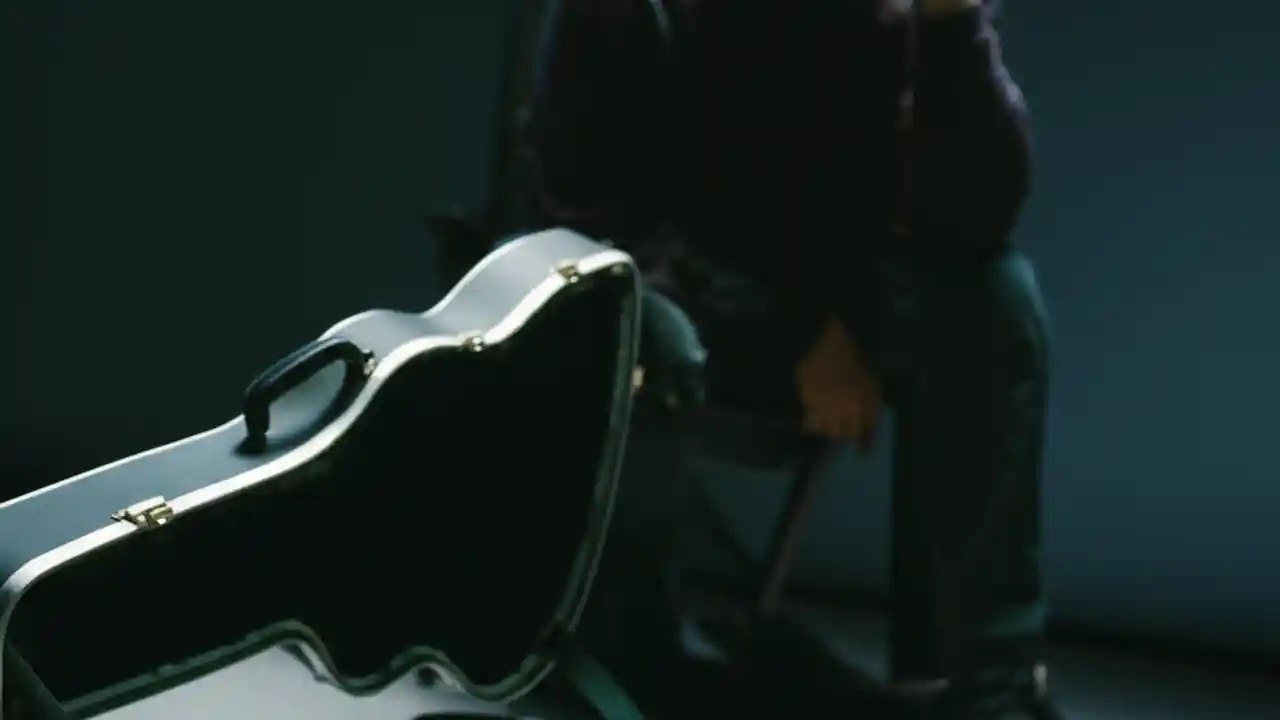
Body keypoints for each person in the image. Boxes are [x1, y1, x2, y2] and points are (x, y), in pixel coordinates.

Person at [525, 0, 1059, 718]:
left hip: (833, 291)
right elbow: (596, 211)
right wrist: (799, 333)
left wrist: (951, 29)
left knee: (994, 298)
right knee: (644, 328)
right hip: (665, 287)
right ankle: (633, 674)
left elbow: (974, 220)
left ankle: (992, 691)